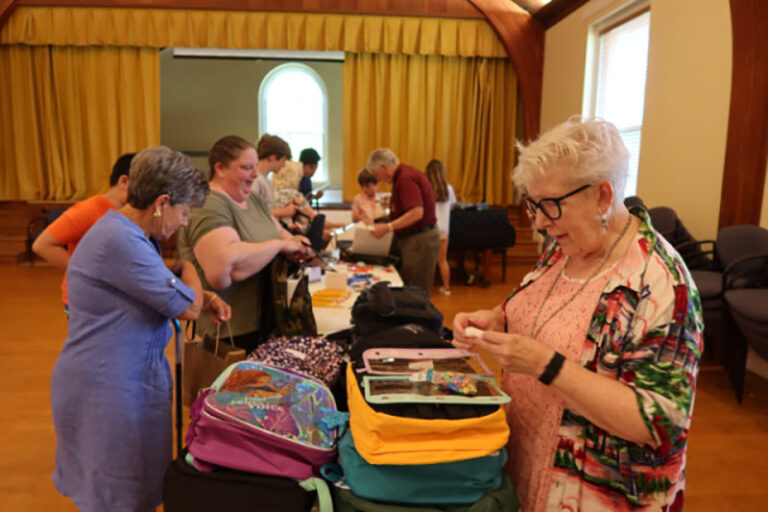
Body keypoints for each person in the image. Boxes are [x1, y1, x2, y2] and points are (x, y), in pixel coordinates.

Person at [452, 118, 703, 511]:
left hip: (595, 491)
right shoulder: (566, 244)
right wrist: (498, 317)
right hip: (531, 459)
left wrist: (547, 366)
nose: (538, 221)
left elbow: (658, 422)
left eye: (550, 205)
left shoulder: (661, 284)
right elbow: (546, 306)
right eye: (532, 205)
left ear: (603, 196)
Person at [51, 146, 231, 512]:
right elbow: (188, 307)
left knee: (135, 487)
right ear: (162, 203)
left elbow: (159, 284)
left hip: (124, 378)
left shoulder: (127, 234)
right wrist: (191, 270)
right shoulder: (119, 240)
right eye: (184, 212)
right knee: (115, 495)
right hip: (106, 385)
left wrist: (201, 290)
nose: (183, 222)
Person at [178, 135, 312, 353]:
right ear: (220, 168)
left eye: (255, 166)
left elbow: (279, 233)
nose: (255, 174)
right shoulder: (209, 205)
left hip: (265, 323)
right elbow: (223, 271)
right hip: (230, 332)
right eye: (246, 168)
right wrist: (278, 247)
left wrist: (295, 244)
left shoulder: (253, 199)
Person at [32, 152, 134, 311]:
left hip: (110, 299)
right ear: (124, 181)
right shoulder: (88, 209)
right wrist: (85, 272)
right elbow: (42, 244)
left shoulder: (130, 212)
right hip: (83, 301)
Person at [367, 148, 440, 295]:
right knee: (413, 289)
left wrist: (387, 227)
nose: (379, 179)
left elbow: (416, 213)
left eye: (377, 175)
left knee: (416, 292)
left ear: (383, 167)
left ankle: (418, 318)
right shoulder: (404, 175)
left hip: (419, 240)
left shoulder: (405, 178)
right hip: (417, 240)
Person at [251, 133, 313, 220]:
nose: (284, 165)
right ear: (273, 157)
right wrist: (283, 211)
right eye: (283, 160)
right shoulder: (254, 179)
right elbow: (251, 213)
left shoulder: (266, 180)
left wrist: (287, 208)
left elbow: (267, 210)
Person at [426, 159, 457, 296]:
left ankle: (425, 288)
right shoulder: (448, 188)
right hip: (444, 229)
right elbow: (452, 206)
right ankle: (446, 287)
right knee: (443, 260)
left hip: (430, 227)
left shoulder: (426, 187)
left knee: (427, 261)